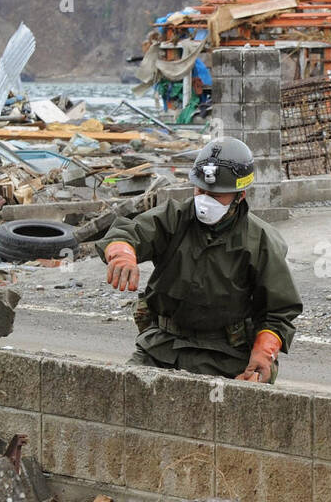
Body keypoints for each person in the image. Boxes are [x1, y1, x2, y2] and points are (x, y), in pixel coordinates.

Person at [99, 136, 301, 382]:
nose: (205, 200)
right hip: (164, 346)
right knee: (127, 395)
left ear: (240, 195)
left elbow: (279, 309)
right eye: (201, 190)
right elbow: (131, 231)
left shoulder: (261, 241)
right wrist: (122, 253)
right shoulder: (175, 217)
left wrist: (264, 351)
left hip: (228, 355)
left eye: (217, 195)